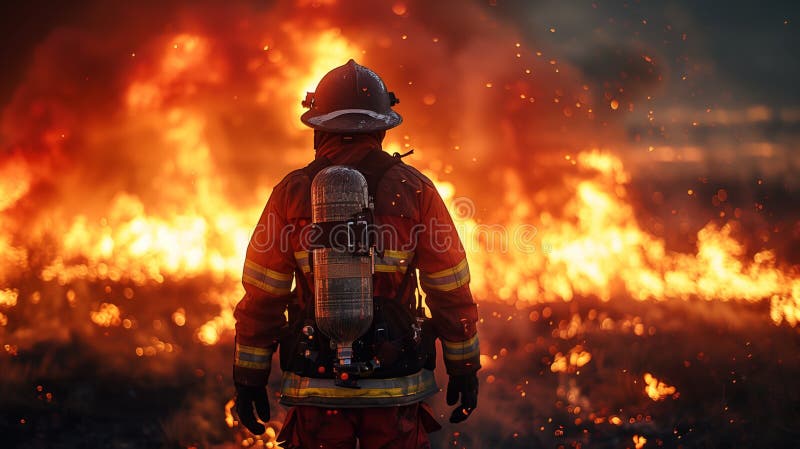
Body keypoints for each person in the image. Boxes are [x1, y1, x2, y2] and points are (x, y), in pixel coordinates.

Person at [233, 59, 480, 449]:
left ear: (318, 130)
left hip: (316, 389)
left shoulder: (291, 193)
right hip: (394, 387)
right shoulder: (415, 191)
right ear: (382, 129)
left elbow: (263, 297)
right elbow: (450, 289)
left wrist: (249, 377)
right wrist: (464, 367)